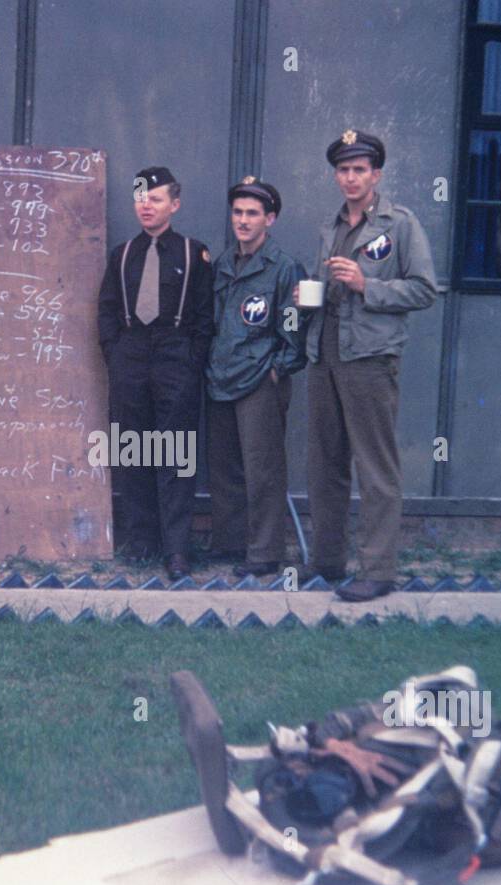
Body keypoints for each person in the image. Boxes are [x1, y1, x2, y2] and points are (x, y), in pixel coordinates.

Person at [297, 129, 436, 602]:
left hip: (371, 358)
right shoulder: (330, 226)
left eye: (359, 169)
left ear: (376, 174)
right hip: (326, 352)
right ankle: (327, 559)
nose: (350, 177)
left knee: (376, 468)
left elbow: (423, 289)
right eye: (343, 169)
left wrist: (365, 285)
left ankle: (377, 571)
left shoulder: (400, 224)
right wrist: (308, 297)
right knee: (324, 464)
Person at [97, 166, 214, 581]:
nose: (146, 205)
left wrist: (190, 360)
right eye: (140, 198)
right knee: (132, 450)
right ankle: (142, 542)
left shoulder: (193, 253)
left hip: (174, 357)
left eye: (156, 198)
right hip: (131, 356)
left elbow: (204, 318)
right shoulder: (122, 254)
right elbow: (107, 311)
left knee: (174, 453)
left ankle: (177, 550)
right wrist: (116, 353)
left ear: (175, 205)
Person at [205, 177, 306, 577]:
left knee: (262, 468)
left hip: (260, 379)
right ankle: (229, 542)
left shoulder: (283, 267)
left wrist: (280, 368)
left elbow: (294, 325)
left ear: (270, 219)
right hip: (221, 375)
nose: (243, 221)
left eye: (252, 213)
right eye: (237, 212)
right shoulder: (224, 265)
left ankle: (264, 552)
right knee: (224, 468)